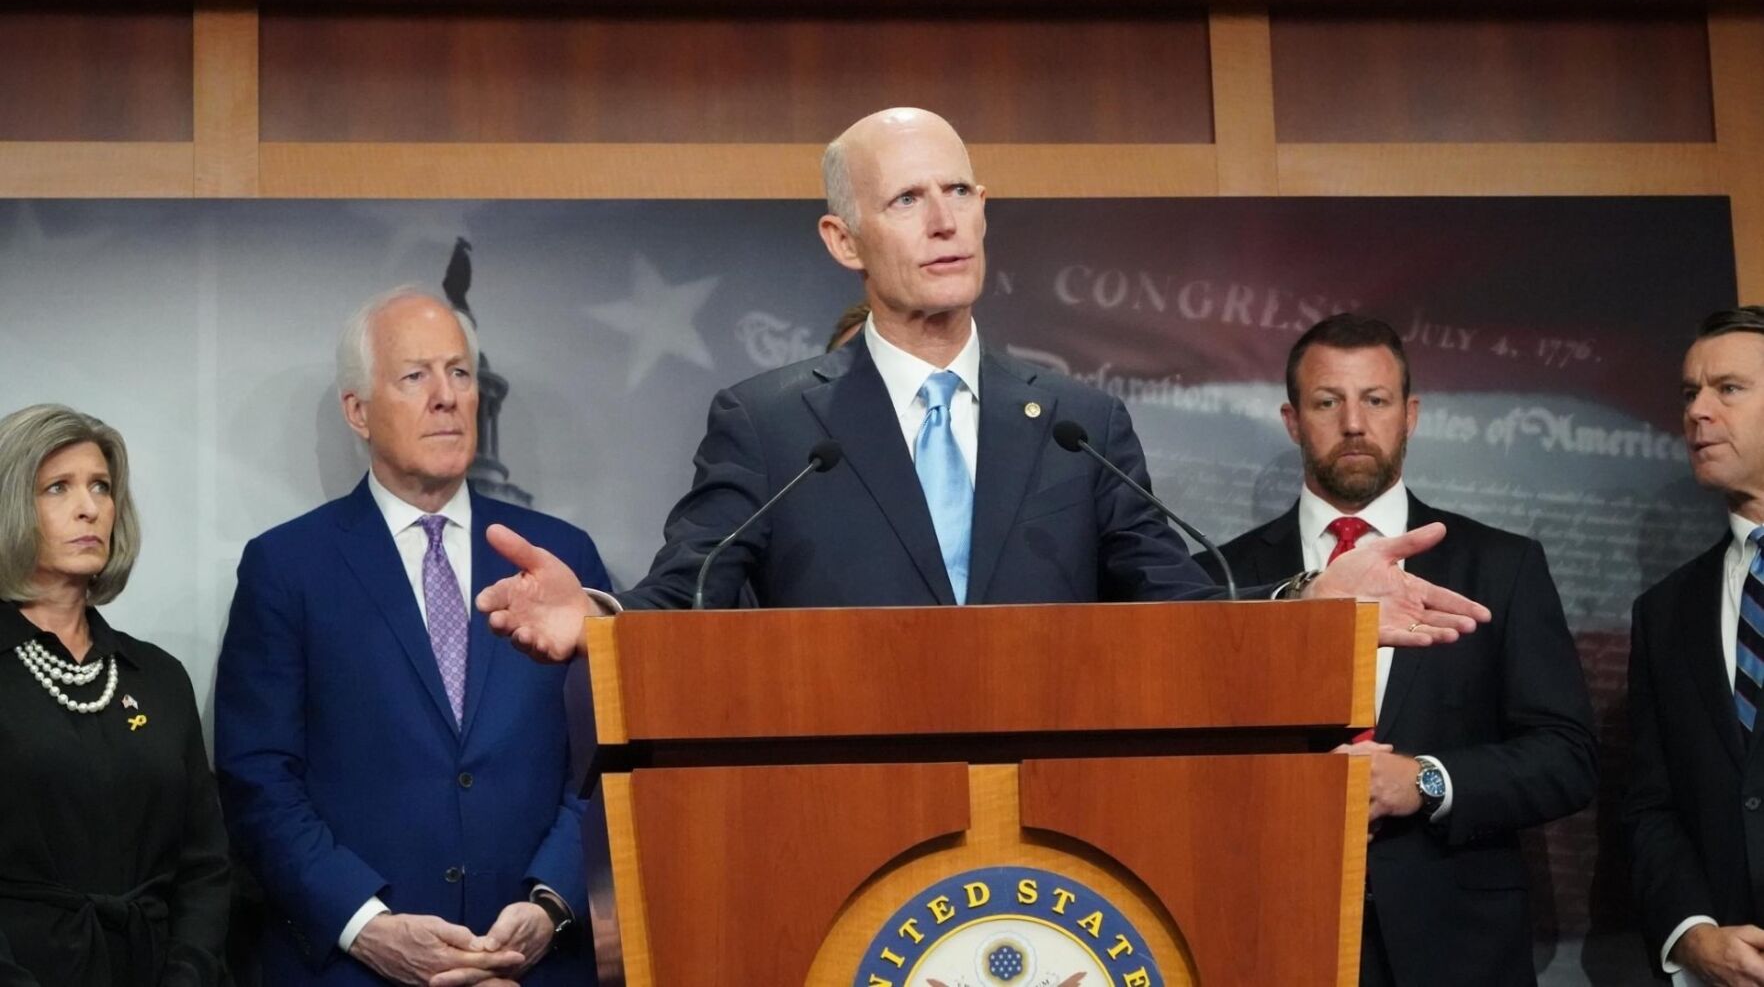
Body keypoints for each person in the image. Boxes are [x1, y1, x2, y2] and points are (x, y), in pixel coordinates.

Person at [477, 107, 1490, 661]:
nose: (944, 220)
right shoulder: (773, 421)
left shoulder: (1079, 423)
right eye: (907, 199)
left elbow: (1183, 611)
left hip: (1054, 825)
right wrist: (596, 616)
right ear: (843, 239)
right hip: (847, 814)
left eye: (959, 190)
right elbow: (688, 596)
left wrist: (1310, 600)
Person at [214, 287, 609, 986]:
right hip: (357, 970)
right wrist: (366, 925)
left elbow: (605, 758)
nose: (446, 396)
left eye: (459, 373)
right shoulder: (287, 566)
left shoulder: (558, 559)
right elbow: (259, 779)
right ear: (357, 411)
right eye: (415, 376)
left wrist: (551, 903)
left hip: (534, 966)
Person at [1205, 315, 1595, 986]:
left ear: (1409, 414)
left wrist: (1424, 780)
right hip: (1271, 929)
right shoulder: (1223, 581)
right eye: (1327, 402)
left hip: (1458, 947)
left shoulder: (1502, 567)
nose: (1354, 423)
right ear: (1292, 420)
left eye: (1376, 400)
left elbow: (1566, 756)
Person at [0, 404, 230, 986]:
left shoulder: (157, 676)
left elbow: (204, 865)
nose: (90, 507)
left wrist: (187, 974)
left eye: (101, 486)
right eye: (58, 487)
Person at [1625, 305, 1764, 986]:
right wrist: (1693, 933)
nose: (1697, 412)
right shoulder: (1664, 612)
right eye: (1689, 393)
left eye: (1728, 388)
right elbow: (1652, 804)